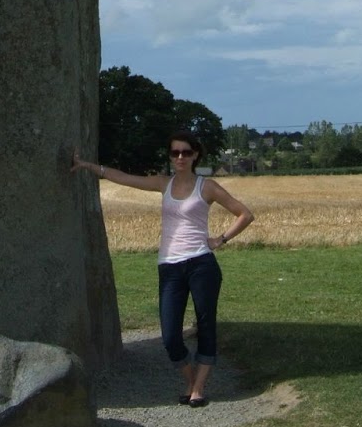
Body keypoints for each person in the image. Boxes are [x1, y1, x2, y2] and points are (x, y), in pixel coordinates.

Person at [73, 130, 253, 405]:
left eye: (186, 152)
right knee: (170, 335)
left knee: (206, 326)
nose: (180, 157)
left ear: (195, 155)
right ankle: (190, 380)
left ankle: (198, 389)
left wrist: (221, 239)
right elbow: (124, 178)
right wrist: (88, 166)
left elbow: (245, 214)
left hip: (201, 264)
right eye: (174, 153)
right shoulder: (163, 184)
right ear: (170, 156)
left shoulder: (207, 186)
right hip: (169, 266)